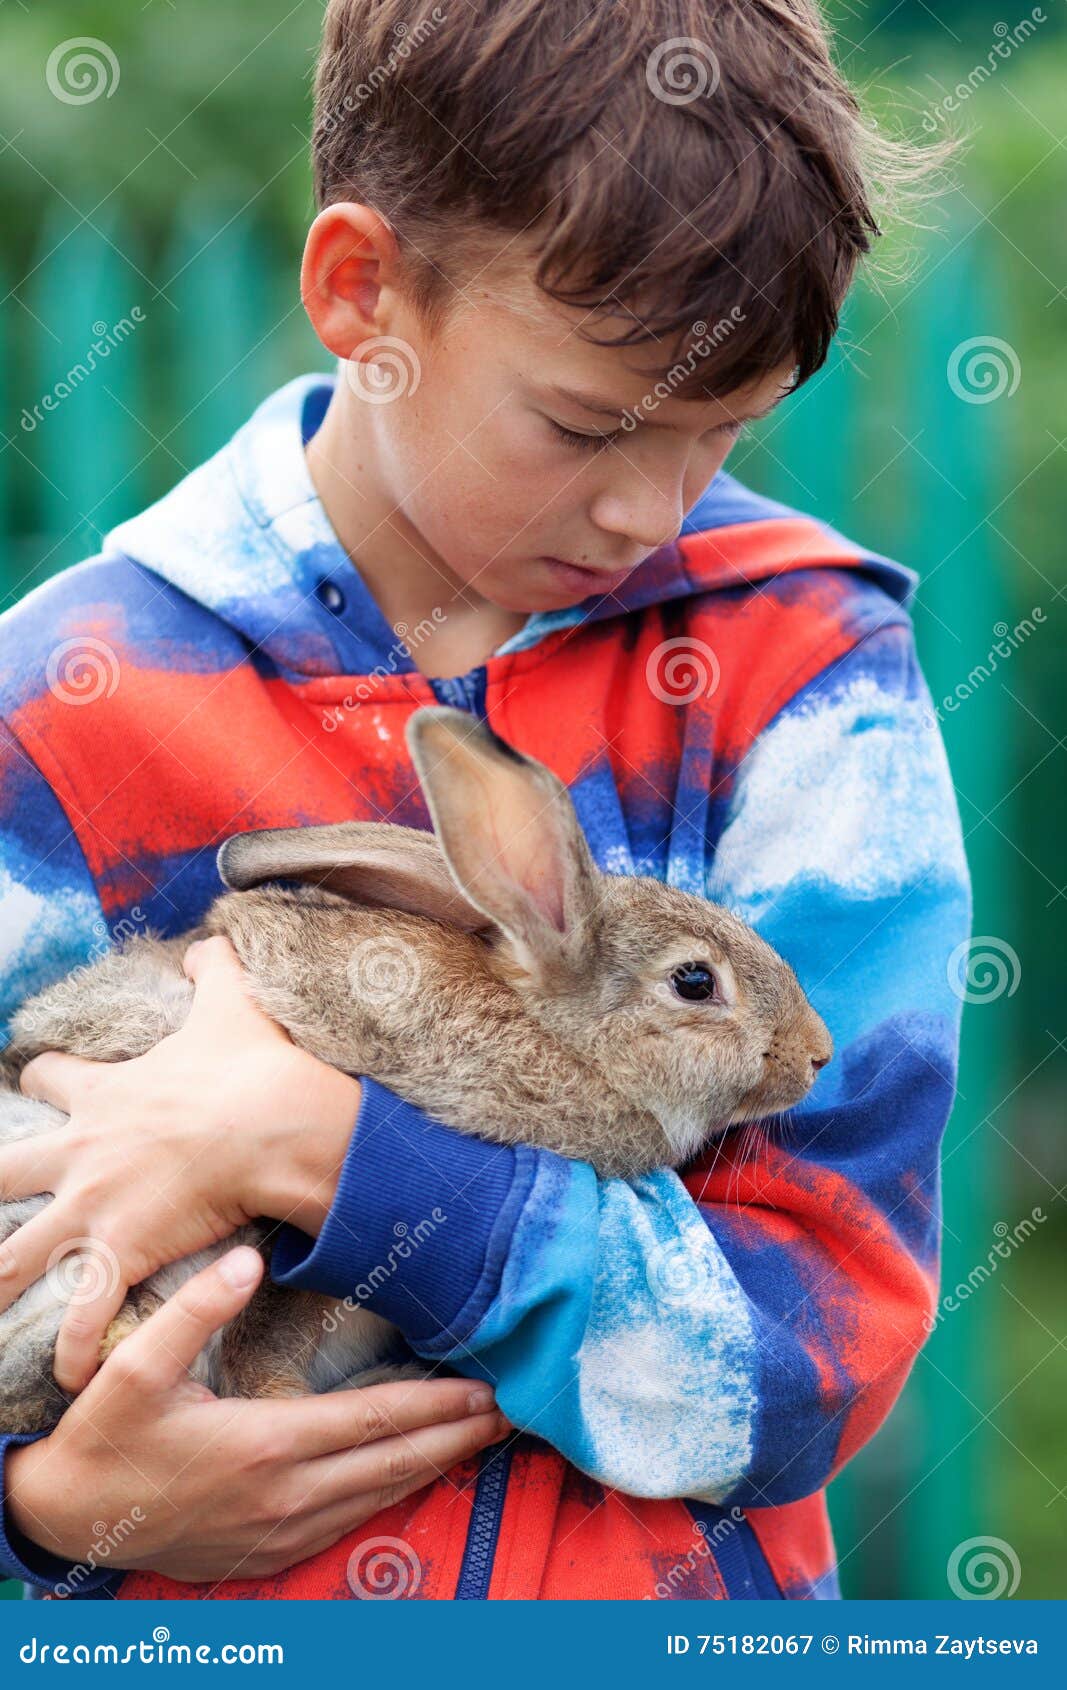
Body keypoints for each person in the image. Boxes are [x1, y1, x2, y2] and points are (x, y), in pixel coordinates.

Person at [0, 0, 970, 1600]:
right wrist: (44, 1502)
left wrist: (341, 1157)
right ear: (364, 293)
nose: (648, 509)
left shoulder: (803, 678)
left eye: (723, 429)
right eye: (587, 423)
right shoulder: (66, 701)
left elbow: (818, 1342)